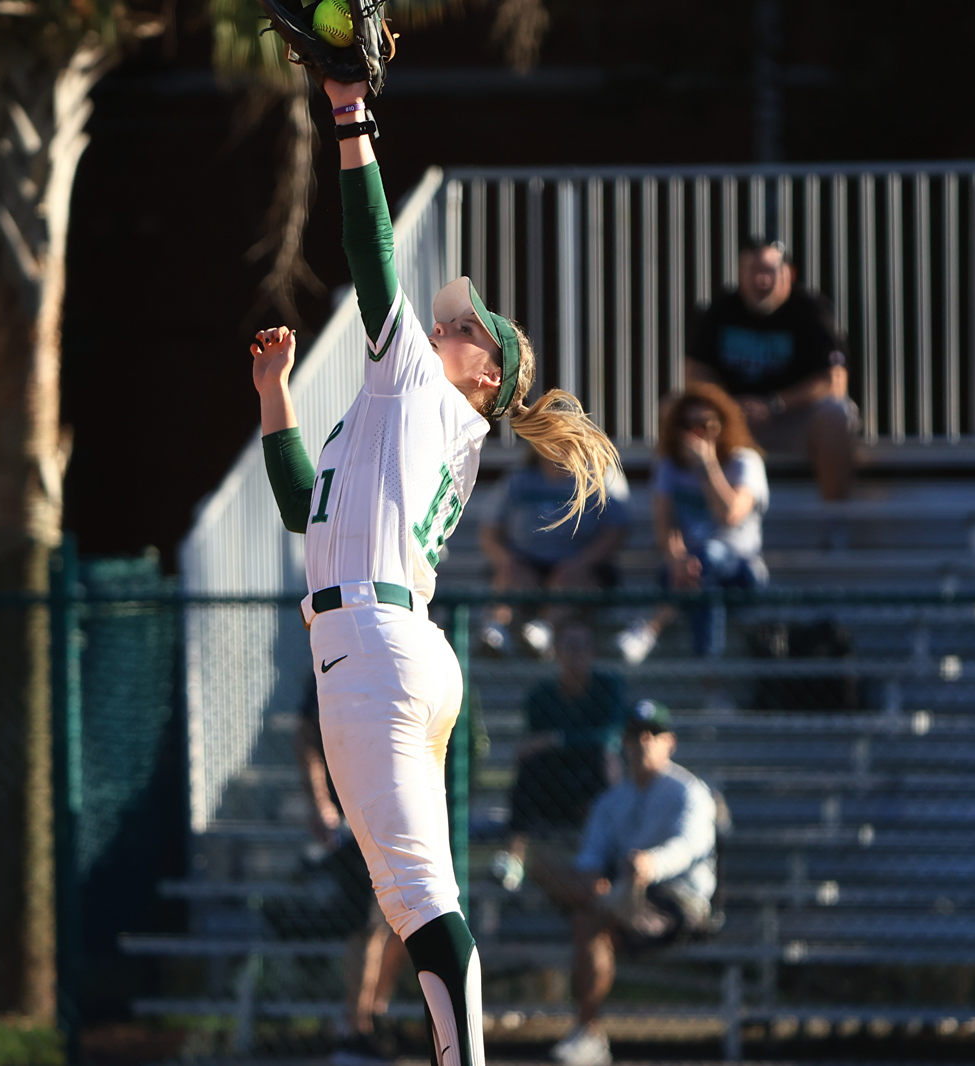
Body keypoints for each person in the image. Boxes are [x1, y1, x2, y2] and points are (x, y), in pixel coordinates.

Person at [249, 75, 620, 1066]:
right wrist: (275, 399)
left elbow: (371, 255)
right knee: (408, 894)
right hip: (391, 643)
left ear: (486, 375)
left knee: (417, 898)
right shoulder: (397, 413)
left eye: (464, 328)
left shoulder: (422, 385)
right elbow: (298, 507)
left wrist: (348, 114)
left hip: (372, 647)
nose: (443, 323)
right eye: (450, 320)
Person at [526, 701, 719, 1066]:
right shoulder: (611, 801)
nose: (643, 741)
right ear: (624, 743)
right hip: (621, 895)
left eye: (653, 733)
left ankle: (588, 1034)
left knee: (589, 921)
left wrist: (650, 864)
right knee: (550, 875)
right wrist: (591, 880)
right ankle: (588, 1035)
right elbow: (591, 858)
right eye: (634, 734)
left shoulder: (689, 792)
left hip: (679, 901)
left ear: (670, 742)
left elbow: (690, 847)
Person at [683, 235, 856, 503]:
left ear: (789, 273)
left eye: (769, 271)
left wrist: (775, 404)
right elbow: (695, 373)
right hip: (730, 420)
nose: (761, 280)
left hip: (791, 419)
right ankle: (687, 517)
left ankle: (835, 523)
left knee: (836, 413)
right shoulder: (721, 309)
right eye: (753, 271)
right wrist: (727, 405)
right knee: (674, 409)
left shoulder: (811, 310)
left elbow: (833, 380)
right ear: (741, 274)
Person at [294, 678, 410, 1066]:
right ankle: (354, 1028)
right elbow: (307, 733)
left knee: (400, 922)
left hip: (402, 813)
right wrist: (320, 802)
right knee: (366, 925)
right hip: (351, 818)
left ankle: (369, 1019)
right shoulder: (337, 651)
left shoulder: (417, 655)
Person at [615, 383, 770, 664]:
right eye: (687, 425)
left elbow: (731, 515)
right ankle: (711, 687)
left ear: (723, 424)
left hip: (741, 570)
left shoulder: (745, 462)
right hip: (688, 571)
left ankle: (651, 626)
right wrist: (676, 559)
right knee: (704, 590)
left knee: (707, 558)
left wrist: (707, 465)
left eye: (705, 424)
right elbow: (665, 524)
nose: (695, 432)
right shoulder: (669, 465)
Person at [491, 620, 628, 893]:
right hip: (554, 789)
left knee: (604, 759)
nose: (576, 653)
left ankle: (611, 851)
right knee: (529, 766)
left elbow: (609, 737)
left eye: (583, 646)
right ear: (556, 650)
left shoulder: (609, 687)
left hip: (593, 786)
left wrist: (557, 739)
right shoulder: (541, 695)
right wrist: (561, 742)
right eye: (569, 645)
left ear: (593, 651)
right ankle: (515, 855)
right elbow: (531, 747)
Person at [476, 452, 632, 658]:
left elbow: (617, 530)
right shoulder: (518, 479)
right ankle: (496, 632)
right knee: (510, 573)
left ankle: (543, 631)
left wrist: (581, 561)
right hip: (527, 562)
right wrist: (507, 559)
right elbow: (489, 531)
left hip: (580, 565)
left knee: (571, 577)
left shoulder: (600, 477)